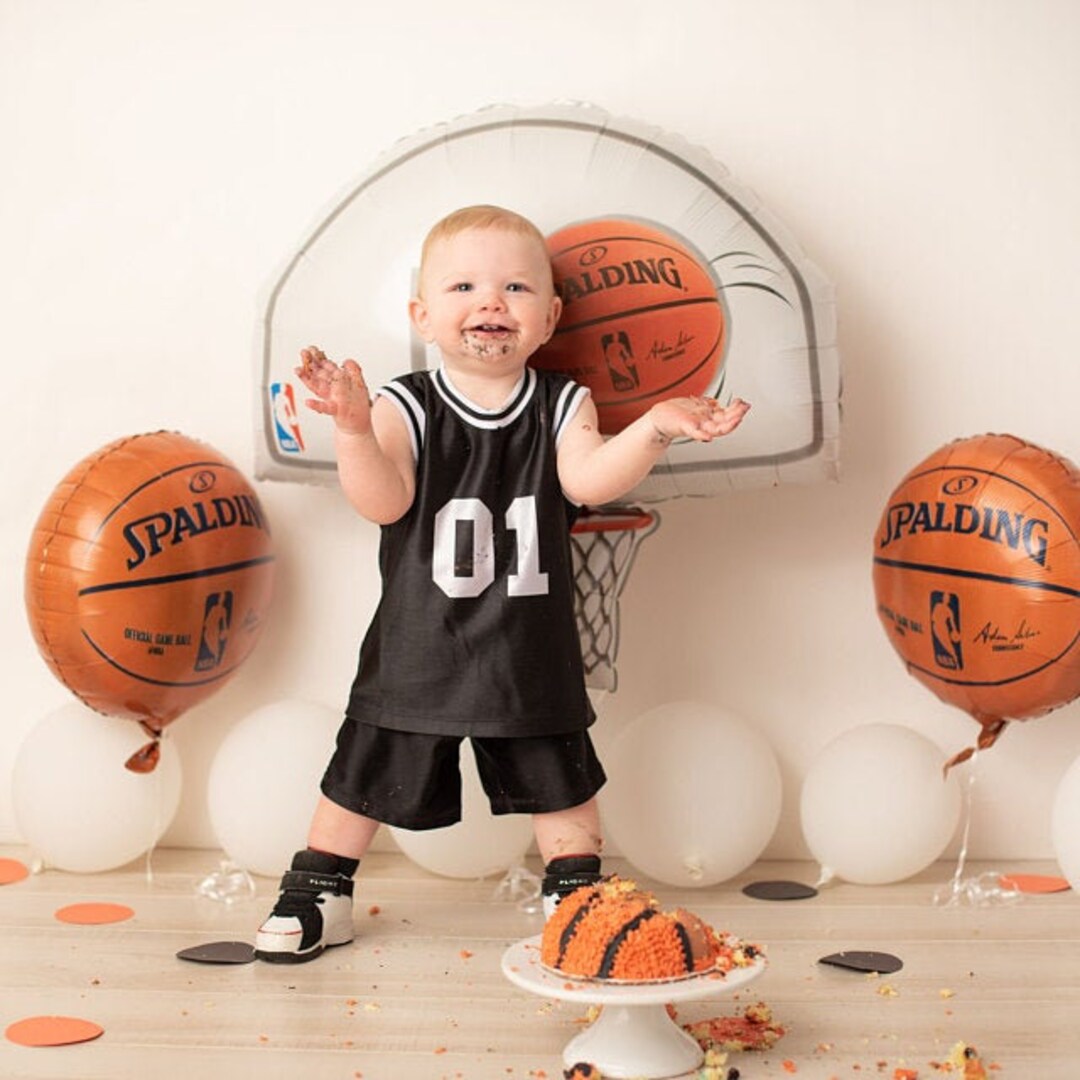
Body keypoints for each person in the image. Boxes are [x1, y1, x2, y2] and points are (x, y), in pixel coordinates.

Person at [255, 205, 750, 963]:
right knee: (366, 765)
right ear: (423, 315)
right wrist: (352, 431)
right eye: (463, 286)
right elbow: (383, 501)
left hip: (528, 645)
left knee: (560, 776)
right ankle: (321, 885)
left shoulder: (563, 402)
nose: (491, 300)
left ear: (550, 317)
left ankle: (577, 895)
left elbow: (587, 481)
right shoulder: (403, 403)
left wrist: (652, 426)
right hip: (420, 641)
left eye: (516, 287)